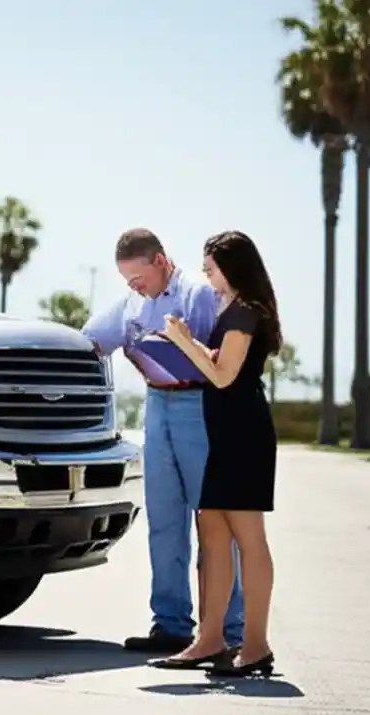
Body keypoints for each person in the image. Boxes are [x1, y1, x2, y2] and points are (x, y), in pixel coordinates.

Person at [81, 228, 245, 655]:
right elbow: (90, 340)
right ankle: (170, 624)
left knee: (213, 522)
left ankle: (230, 630)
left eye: (138, 278)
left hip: (199, 407)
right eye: (127, 282)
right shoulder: (133, 301)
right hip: (157, 407)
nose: (134, 287)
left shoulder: (197, 295)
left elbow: (222, 359)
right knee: (165, 519)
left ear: (160, 261)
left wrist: (183, 347)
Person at [149, 230, 280, 677]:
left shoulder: (246, 312)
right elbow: (220, 366)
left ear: (233, 266)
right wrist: (183, 345)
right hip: (222, 434)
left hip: (244, 435)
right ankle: (209, 639)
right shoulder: (231, 310)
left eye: (210, 268)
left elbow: (224, 377)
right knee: (212, 533)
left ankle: (256, 645)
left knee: (249, 537)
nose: (205, 275)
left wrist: (184, 342)